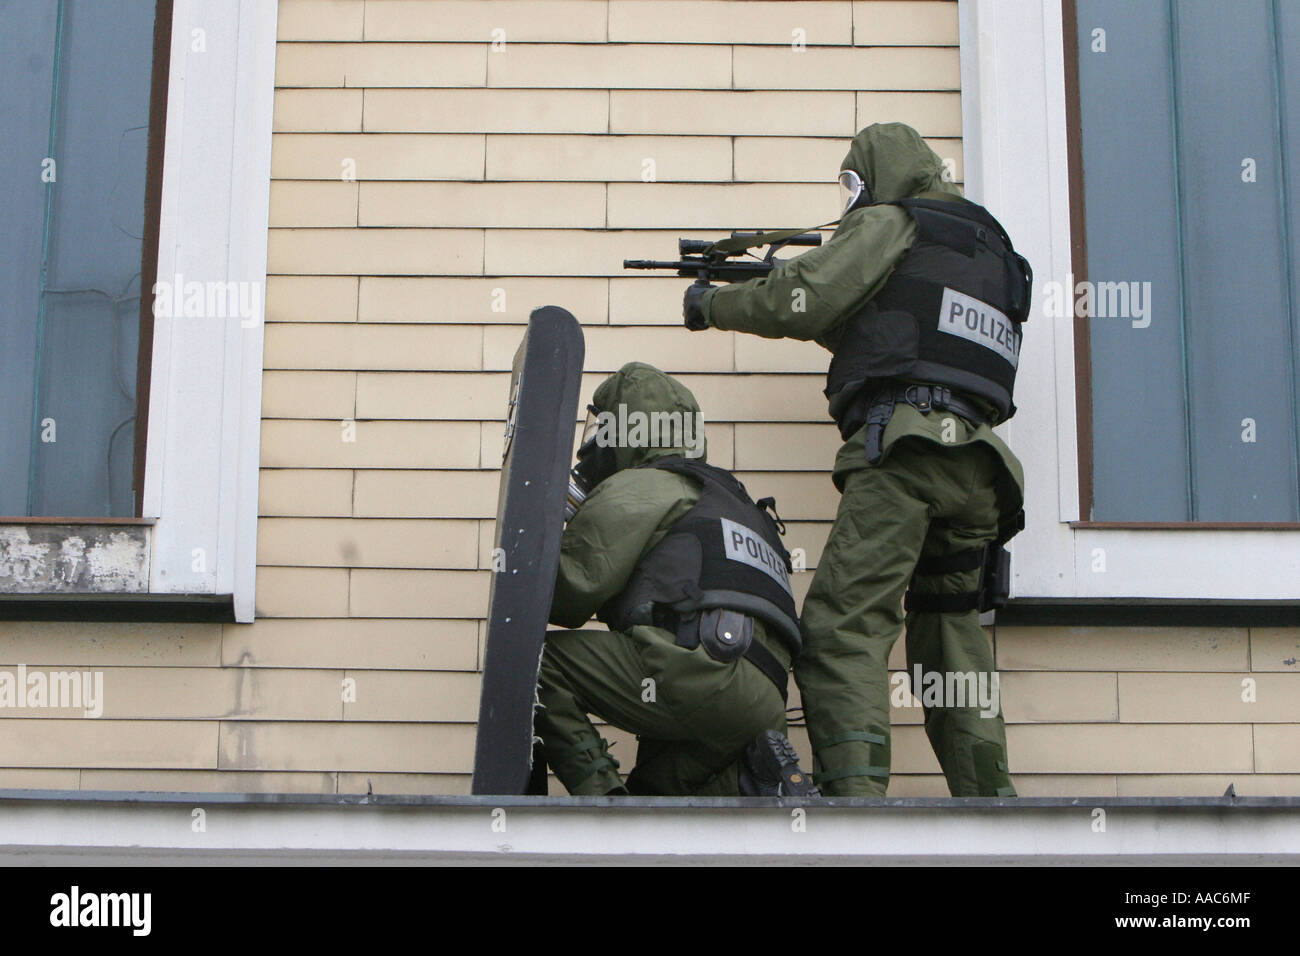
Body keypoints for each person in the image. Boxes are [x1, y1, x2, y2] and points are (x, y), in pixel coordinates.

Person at [681, 123, 1031, 798]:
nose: (851, 201)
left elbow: (806, 296)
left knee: (845, 627)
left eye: (852, 185)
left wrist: (713, 303)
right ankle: (992, 804)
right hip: (981, 471)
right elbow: (903, 321)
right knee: (952, 639)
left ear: (877, 176)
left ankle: (857, 807)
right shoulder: (990, 250)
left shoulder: (893, 220)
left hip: (909, 453)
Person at [535, 362, 817, 797]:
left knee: (536, 664)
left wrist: (553, 522)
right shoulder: (737, 504)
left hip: (697, 674)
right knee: (661, 801)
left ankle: (603, 799)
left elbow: (563, 596)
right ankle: (766, 781)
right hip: (763, 702)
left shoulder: (643, 485)